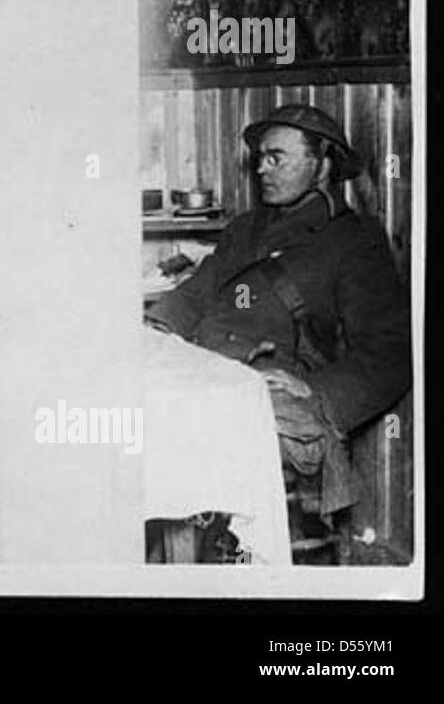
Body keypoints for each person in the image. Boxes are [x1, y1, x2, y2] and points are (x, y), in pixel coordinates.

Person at [146, 104, 410, 520]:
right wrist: (151, 328)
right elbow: (197, 294)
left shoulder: (354, 243)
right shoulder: (245, 228)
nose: (262, 170)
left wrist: (316, 390)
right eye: (260, 159)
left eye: (277, 158)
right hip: (207, 367)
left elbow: (390, 354)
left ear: (321, 163)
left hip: (263, 383)